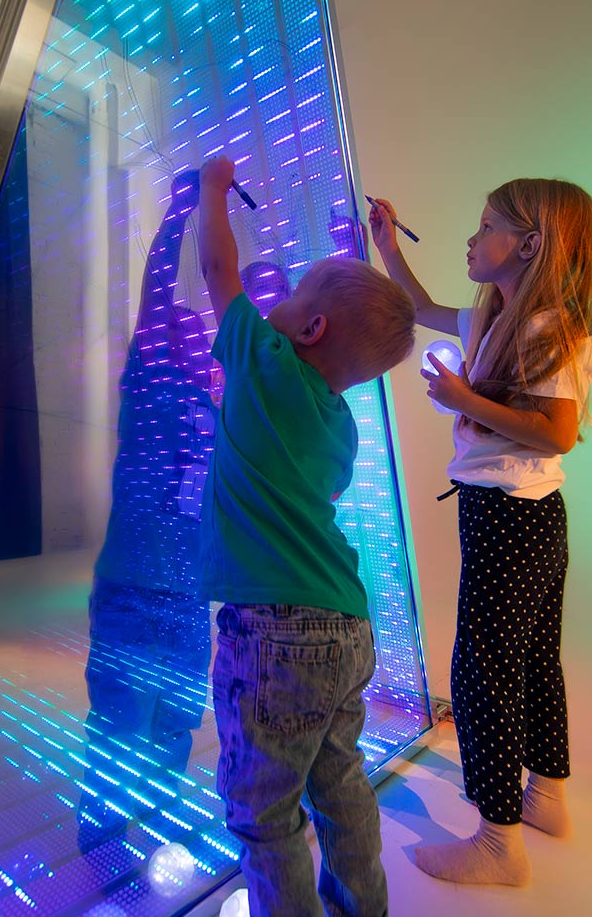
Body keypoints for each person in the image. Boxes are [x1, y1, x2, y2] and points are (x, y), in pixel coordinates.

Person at [368, 179, 592, 887]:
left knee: (483, 670)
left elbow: (557, 433)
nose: (471, 241)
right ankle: (546, 798)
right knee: (531, 658)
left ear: (529, 245)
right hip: (522, 516)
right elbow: (420, 308)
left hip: (512, 518)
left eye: (486, 227)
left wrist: (464, 398)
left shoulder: (548, 329)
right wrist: (387, 247)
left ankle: (498, 842)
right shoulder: (497, 319)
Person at [196, 154, 416, 917]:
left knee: (264, 813)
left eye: (290, 298)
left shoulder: (265, 364)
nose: (274, 305)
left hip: (276, 634)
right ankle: (363, 906)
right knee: (340, 781)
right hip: (347, 628)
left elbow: (218, 270)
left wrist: (212, 188)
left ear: (310, 328)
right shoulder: (341, 424)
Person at [79, 171, 214, 851]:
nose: (186, 329)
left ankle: (156, 827)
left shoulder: (217, 406)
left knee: (175, 721)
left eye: (193, 327)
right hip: (133, 588)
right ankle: (104, 840)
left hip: (189, 596)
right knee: (119, 718)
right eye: (175, 326)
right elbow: (156, 293)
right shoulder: (150, 383)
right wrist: (179, 213)